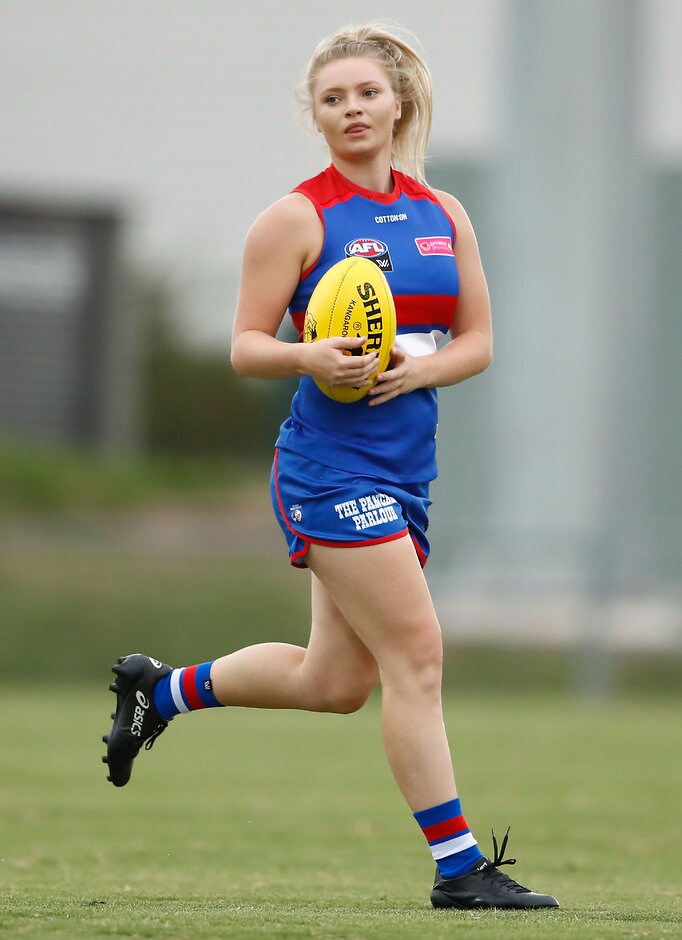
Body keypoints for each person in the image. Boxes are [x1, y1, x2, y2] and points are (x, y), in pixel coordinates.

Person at [102, 21, 559, 912]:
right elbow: (242, 346)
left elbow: (478, 343)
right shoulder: (297, 217)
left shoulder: (443, 215)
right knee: (416, 655)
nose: (351, 109)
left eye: (366, 94)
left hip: (403, 471)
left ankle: (160, 691)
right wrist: (306, 357)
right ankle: (459, 868)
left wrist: (419, 368)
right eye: (332, 98)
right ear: (315, 116)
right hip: (326, 469)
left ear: (400, 103)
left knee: (336, 683)